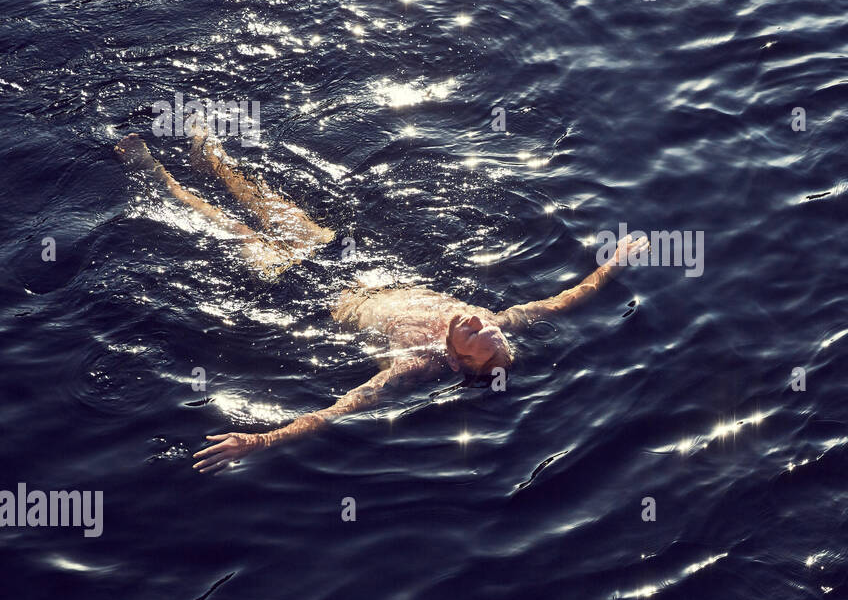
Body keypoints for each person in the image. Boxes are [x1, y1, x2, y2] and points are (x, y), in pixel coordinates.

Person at [113, 125, 646, 474]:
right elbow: (570, 297)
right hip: (349, 265)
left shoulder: (417, 361)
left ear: (459, 359)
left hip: (310, 290)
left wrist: (260, 442)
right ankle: (208, 152)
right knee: (267, 200)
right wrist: (614, 262)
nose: (475, 319)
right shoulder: (499, 321)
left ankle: (151, 170)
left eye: (475, 334)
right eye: (488, 327)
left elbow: (340, 409)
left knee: (227, 225)